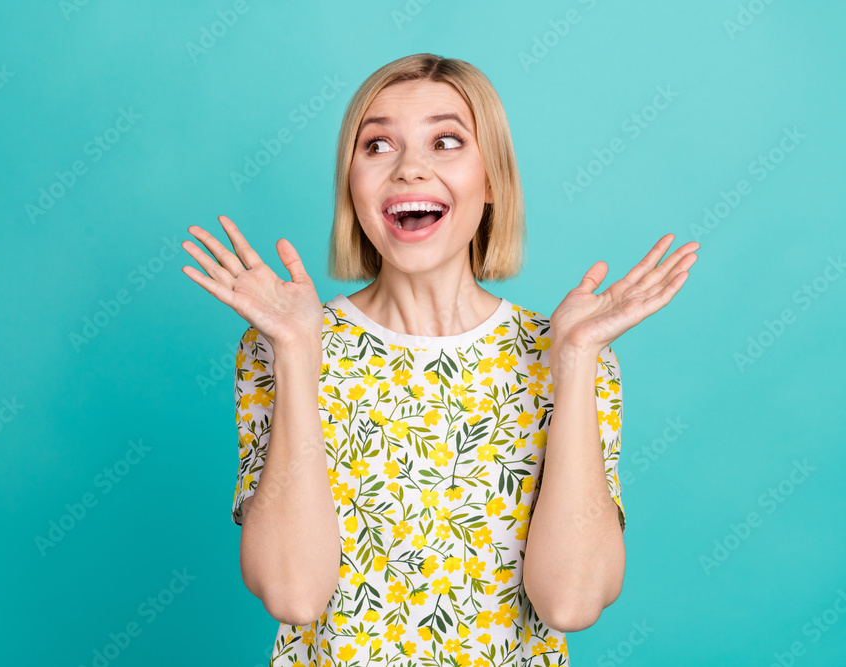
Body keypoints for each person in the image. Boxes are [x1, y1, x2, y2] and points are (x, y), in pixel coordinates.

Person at [181, 52, 698, 666]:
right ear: (352, 185)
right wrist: (296, 352)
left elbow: (572, 604)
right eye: (377, 146)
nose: (409, 169)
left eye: (446, 141)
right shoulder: (285, 343)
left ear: (492, 182)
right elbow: (294, 594)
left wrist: (578, 358)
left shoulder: (565, 353)